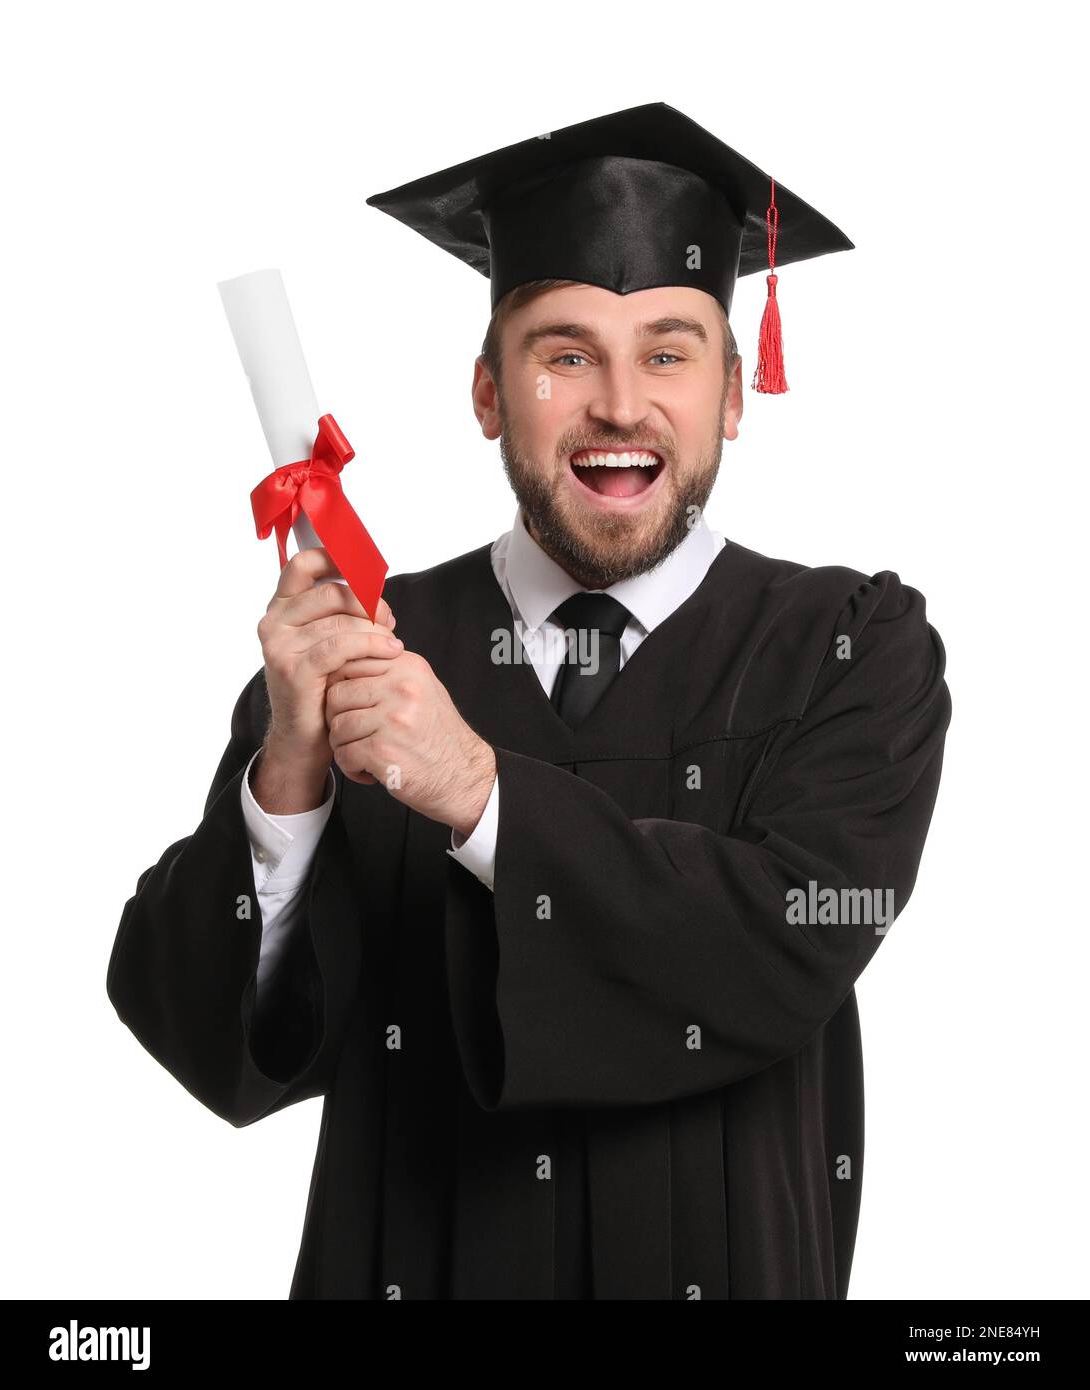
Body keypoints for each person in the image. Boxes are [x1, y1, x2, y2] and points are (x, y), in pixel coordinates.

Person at [107, 102, 952, 1299]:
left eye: (667, 351)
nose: (618, 404)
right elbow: (219, 1056)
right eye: (564, 354)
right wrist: (288, 776)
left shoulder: (847, 650)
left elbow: (779, 941)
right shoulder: (367, 649)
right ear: (488, 393)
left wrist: (475, 792)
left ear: (731, 394)